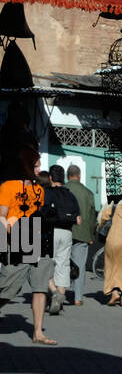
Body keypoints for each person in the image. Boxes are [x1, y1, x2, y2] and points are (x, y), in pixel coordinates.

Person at [0, 142, 59, 344]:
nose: (39, 170)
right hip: (17, 239)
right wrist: (11, 233)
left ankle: (38, 333)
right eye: (35, 166)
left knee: (40, 286)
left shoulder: (39, 190)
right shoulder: (8, 186)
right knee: (8, 288)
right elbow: (2, 216)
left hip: (37, 239)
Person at [45, 164, 81, 314]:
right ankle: (59, 301)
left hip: (50, 231)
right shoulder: (70, 195)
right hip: (67, 233)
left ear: (50, 178)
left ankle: (55, 293)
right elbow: (79, 220)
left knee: (45, 264)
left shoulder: (47, 193)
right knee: (63, 266)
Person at [65, 165, 97, 305]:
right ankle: (77, 298)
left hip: (63, 230)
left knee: (60, 263)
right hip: (82, 233)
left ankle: (58, 293)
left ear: (67, 176)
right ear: (79, 175)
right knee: (80, 265)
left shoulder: (62, 190)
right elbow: (91, 218)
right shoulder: (88, 193)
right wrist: (91, 236)